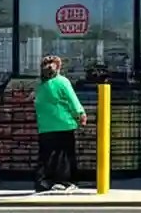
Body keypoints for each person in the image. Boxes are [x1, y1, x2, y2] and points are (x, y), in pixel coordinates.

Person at [34, 55, 87, 192]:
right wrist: (80, 114)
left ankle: (43, 182)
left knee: (46, 155)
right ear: (58, 67)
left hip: (45, 126)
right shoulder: (62, 82)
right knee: (64, 155)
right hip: (64, 124)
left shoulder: (40, 85)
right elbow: (72, 99)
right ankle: (64, 181)